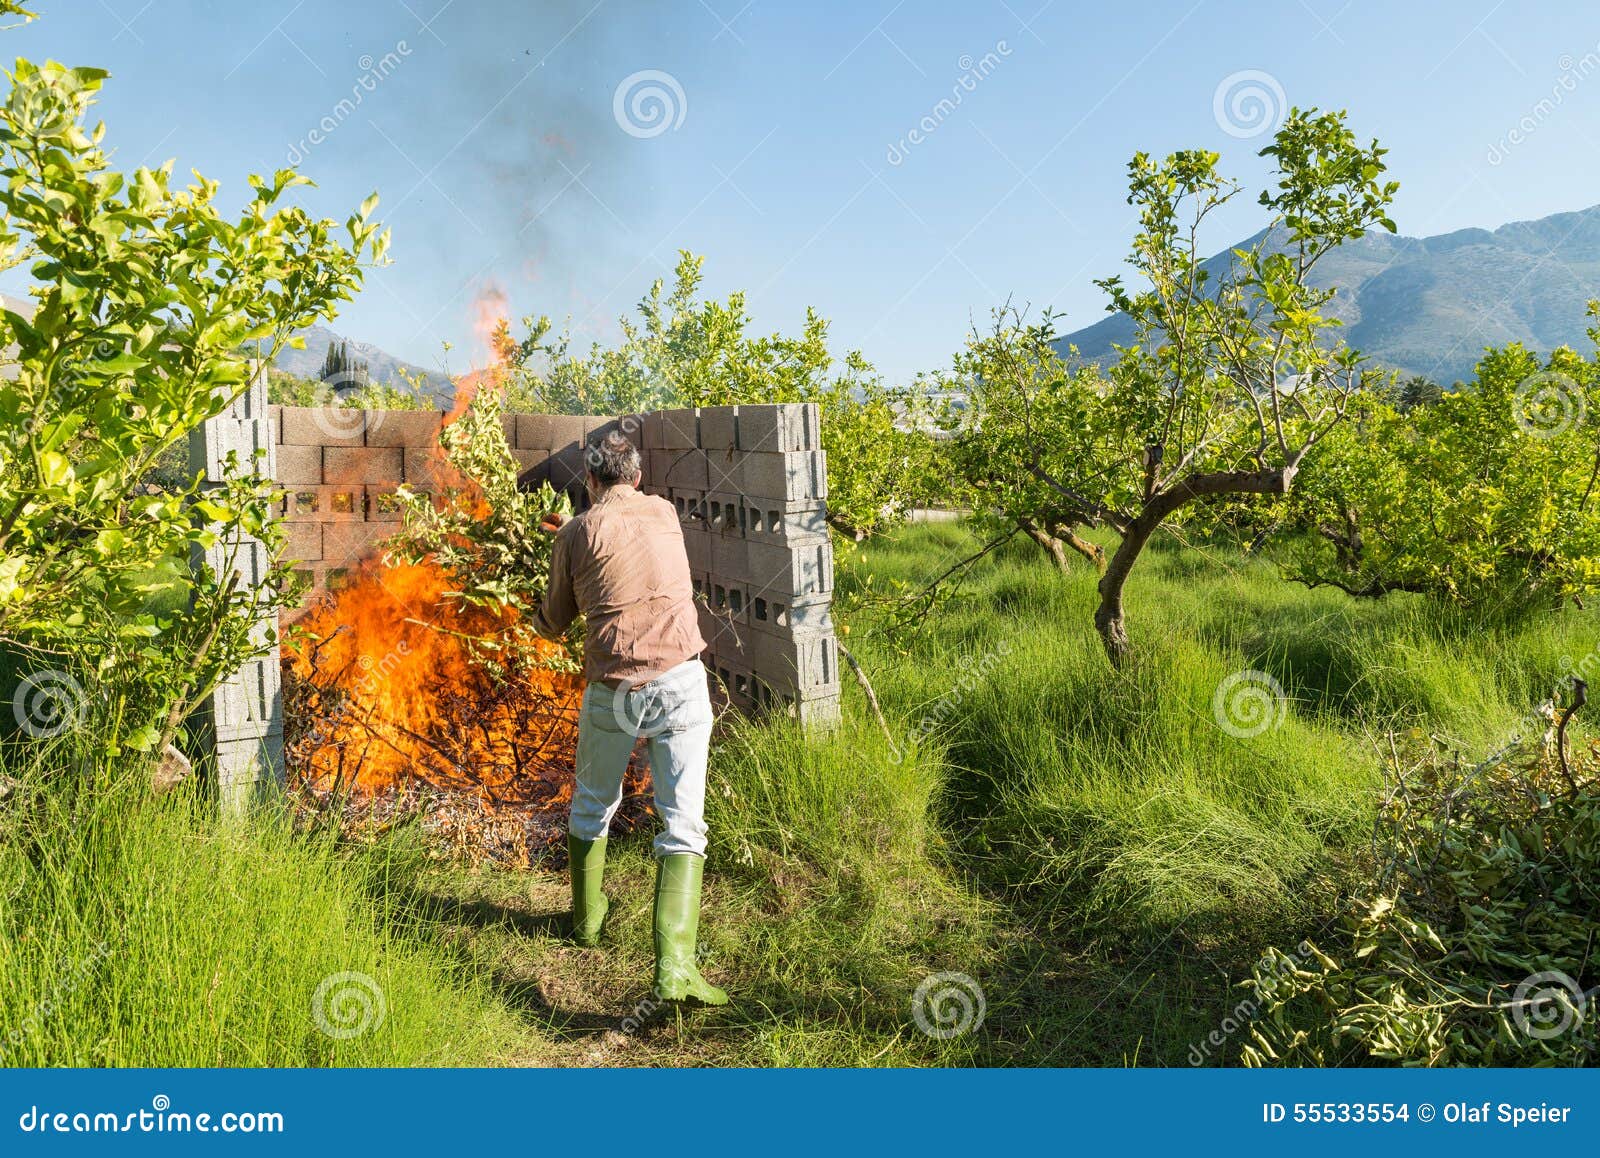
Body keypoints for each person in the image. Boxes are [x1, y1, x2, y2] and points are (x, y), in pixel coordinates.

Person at [533, 430, 727, 1005]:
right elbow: (631, 561)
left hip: (614, 687)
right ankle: (674, 969)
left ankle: (586, 925)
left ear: (589, 483)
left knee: (592, 804)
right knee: (683, 822)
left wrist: (560, 554)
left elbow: (554, 619)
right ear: (638, 477)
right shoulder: (665, 512)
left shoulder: (577, 530)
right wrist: (571, 542)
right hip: (681, 681)